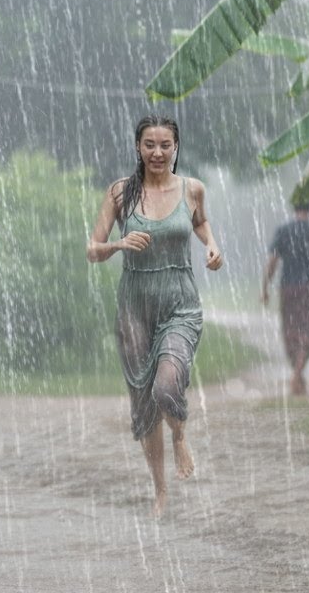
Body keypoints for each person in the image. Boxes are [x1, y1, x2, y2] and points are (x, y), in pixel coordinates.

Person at [87, 115, 223, 517]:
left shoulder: (192, 189)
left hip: (180, 302)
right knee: (144, 405)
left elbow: (200, 224)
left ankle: (180, 434)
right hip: (134, 306)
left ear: (176, 147)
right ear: (138, 147)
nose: (158, 152)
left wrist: (213, 247)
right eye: (150, 144)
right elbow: (92, 249)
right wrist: (119, 244)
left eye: (165, 145)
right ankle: (160, 492)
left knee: (166, 387)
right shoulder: (120, 194)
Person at [261, 202, 309, 396]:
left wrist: (265, 288)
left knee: (289, 331)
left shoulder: (284, 231)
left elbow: (272, 262)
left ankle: (296, 372)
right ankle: (298, 374)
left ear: (294, 209)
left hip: (288, 288)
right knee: (307, 329)